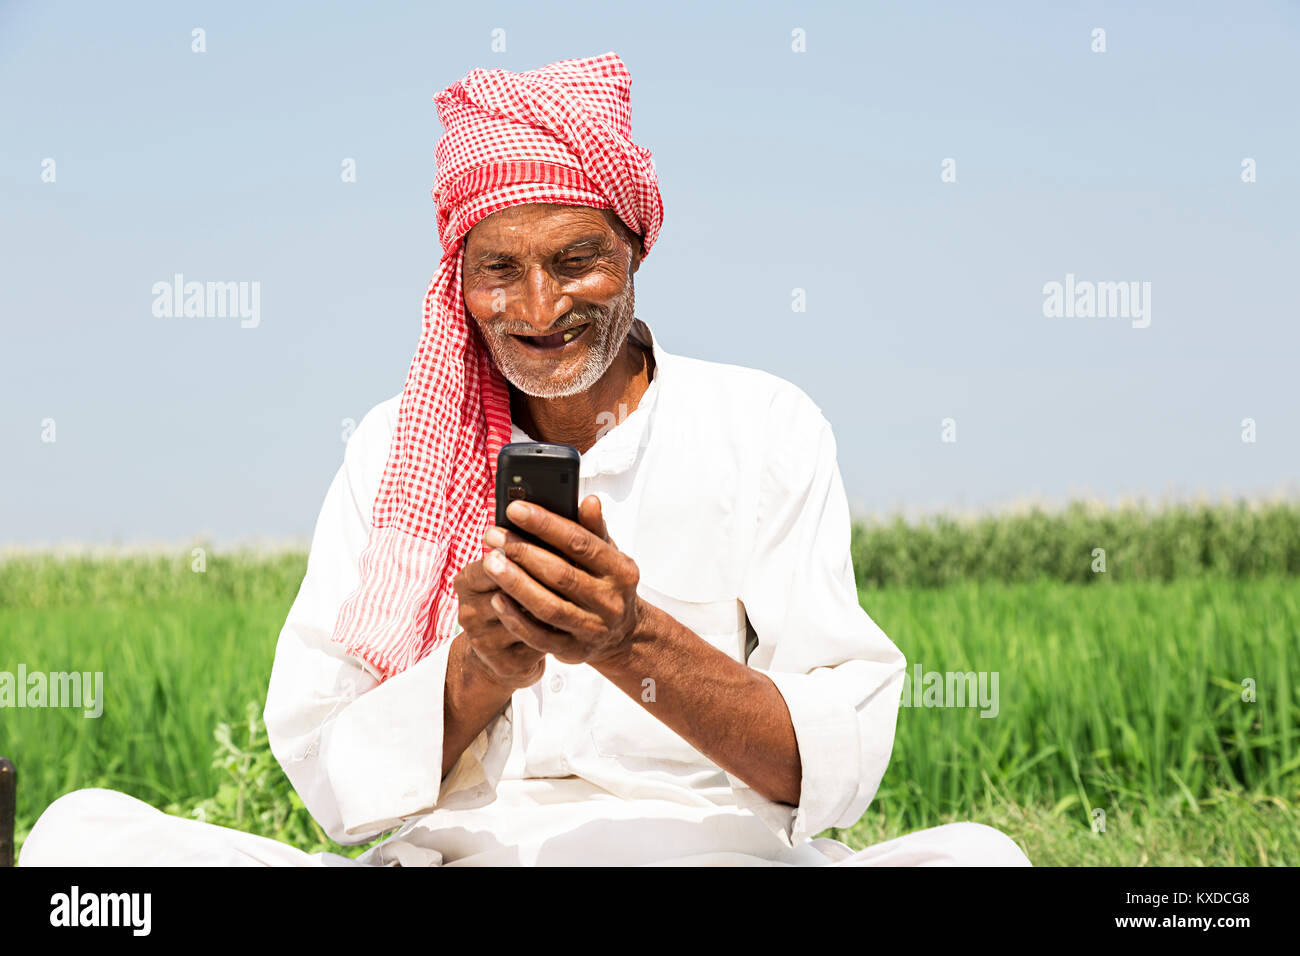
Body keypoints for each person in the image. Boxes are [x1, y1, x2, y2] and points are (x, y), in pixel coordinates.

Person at [21, 52, 1029, 867]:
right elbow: (334, 780)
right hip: (468, 860)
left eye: (576, 260)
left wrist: (632, 640)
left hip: (715, 858)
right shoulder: (392, 448)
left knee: (979, 857)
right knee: (81, 842)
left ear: (637, 247)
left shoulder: (763, 424)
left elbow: (834, 766)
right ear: (455, 278)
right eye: (499, 269)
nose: (539, 311)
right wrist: (479, 669)